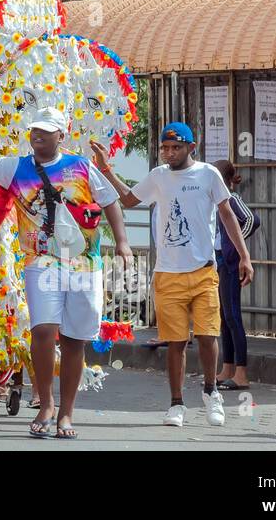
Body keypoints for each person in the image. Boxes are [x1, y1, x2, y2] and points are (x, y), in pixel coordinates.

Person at [0, 107, 131, 439]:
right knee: (43, 331)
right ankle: (45, 405)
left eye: (46, 131)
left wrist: (122, 242)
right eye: (34, 130)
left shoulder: (80, 166)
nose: (38, 135)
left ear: (60, 136)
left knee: (73, 339)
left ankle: (66, 414)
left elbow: (111, 202)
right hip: (42, 263)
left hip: (84, 263)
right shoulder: (17, 166)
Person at [91, 122, 253, 428]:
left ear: (191, 147)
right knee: (176, 342)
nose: (169, 153)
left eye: (175, 147)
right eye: (164, 148)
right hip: (167, 275)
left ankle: (211, 392)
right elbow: (128, 200)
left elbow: (228, 215)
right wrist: (106, 170)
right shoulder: (158, 176)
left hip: (204, 272)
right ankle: (177, 404)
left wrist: (244, 256)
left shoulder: (208, 174)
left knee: (208, 335)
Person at [211, 159, 256, 391]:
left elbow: (251, 220)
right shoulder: (216, 201)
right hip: (220, 261)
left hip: (231, 262)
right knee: (224, 317)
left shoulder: (232, 198)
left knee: (233, 317)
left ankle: (241, 372)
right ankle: (227, 367)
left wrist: (237, 249)